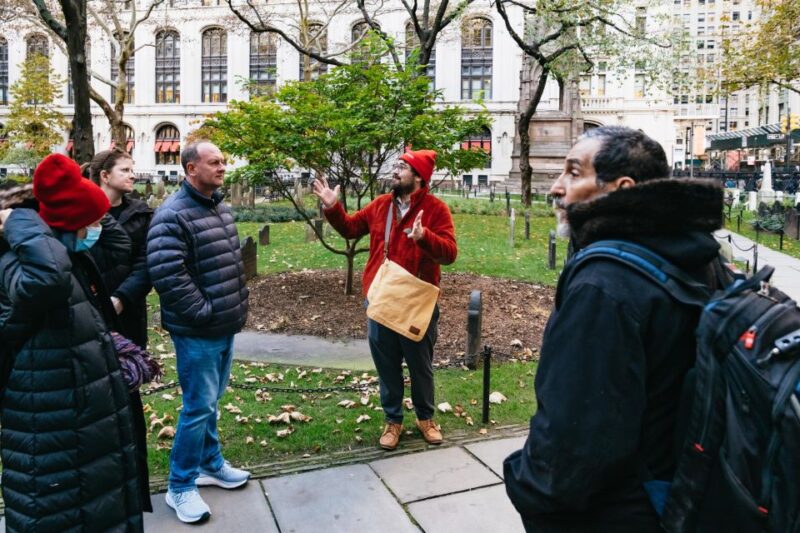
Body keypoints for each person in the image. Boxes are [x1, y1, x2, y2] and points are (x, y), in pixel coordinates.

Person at [504, 126, 724, 531]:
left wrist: (524, 484)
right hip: (675, 496)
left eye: (573, 173)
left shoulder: (603, 287)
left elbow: (572, 442)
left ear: (620, 189)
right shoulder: (697, 255)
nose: (557, 187)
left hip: (615, 512)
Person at [0, 153, 143, 531]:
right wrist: (23, 222)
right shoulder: (20, 264)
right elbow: (46, 281)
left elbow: (117, 243)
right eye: (90, 222)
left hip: (82, 432)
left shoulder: (69, 256)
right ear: (65, 228)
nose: (98, 226)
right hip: (50, 440)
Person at [312, 149, 457, 451]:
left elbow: (450, 254)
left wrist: (424, 237)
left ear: (418, 176)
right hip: (381, 301)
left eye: (403, 166)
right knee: (387, 366)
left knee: (421, 366)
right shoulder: (381, 206)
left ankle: (425, 418)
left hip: (418, 304)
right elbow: (351, 228)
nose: (395, 170)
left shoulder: (436, 210)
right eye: (396, 165)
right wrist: (333, 207)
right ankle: (393, 420)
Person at [147, 141, 250, 524]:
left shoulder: (217, 205)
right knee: (197, 407)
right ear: (191, 168)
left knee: (211, 401)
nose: (223, 167)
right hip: (199, 329)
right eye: (214, 162)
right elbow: (168, 275)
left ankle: (211, 463)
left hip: (224, 324)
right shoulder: (172, 214)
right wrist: (203, 313)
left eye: (223, 160)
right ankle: (180, 486)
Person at [82, 149, 154, 513]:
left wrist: (121, 298)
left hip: (125, 319)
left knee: (128, 402)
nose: (133, 174)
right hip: (86, 322)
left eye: (132, 169)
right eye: (125, 170)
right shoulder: (81, 212)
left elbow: (146, 264)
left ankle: (134, 492)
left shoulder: (140, 215)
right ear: (104, 175)